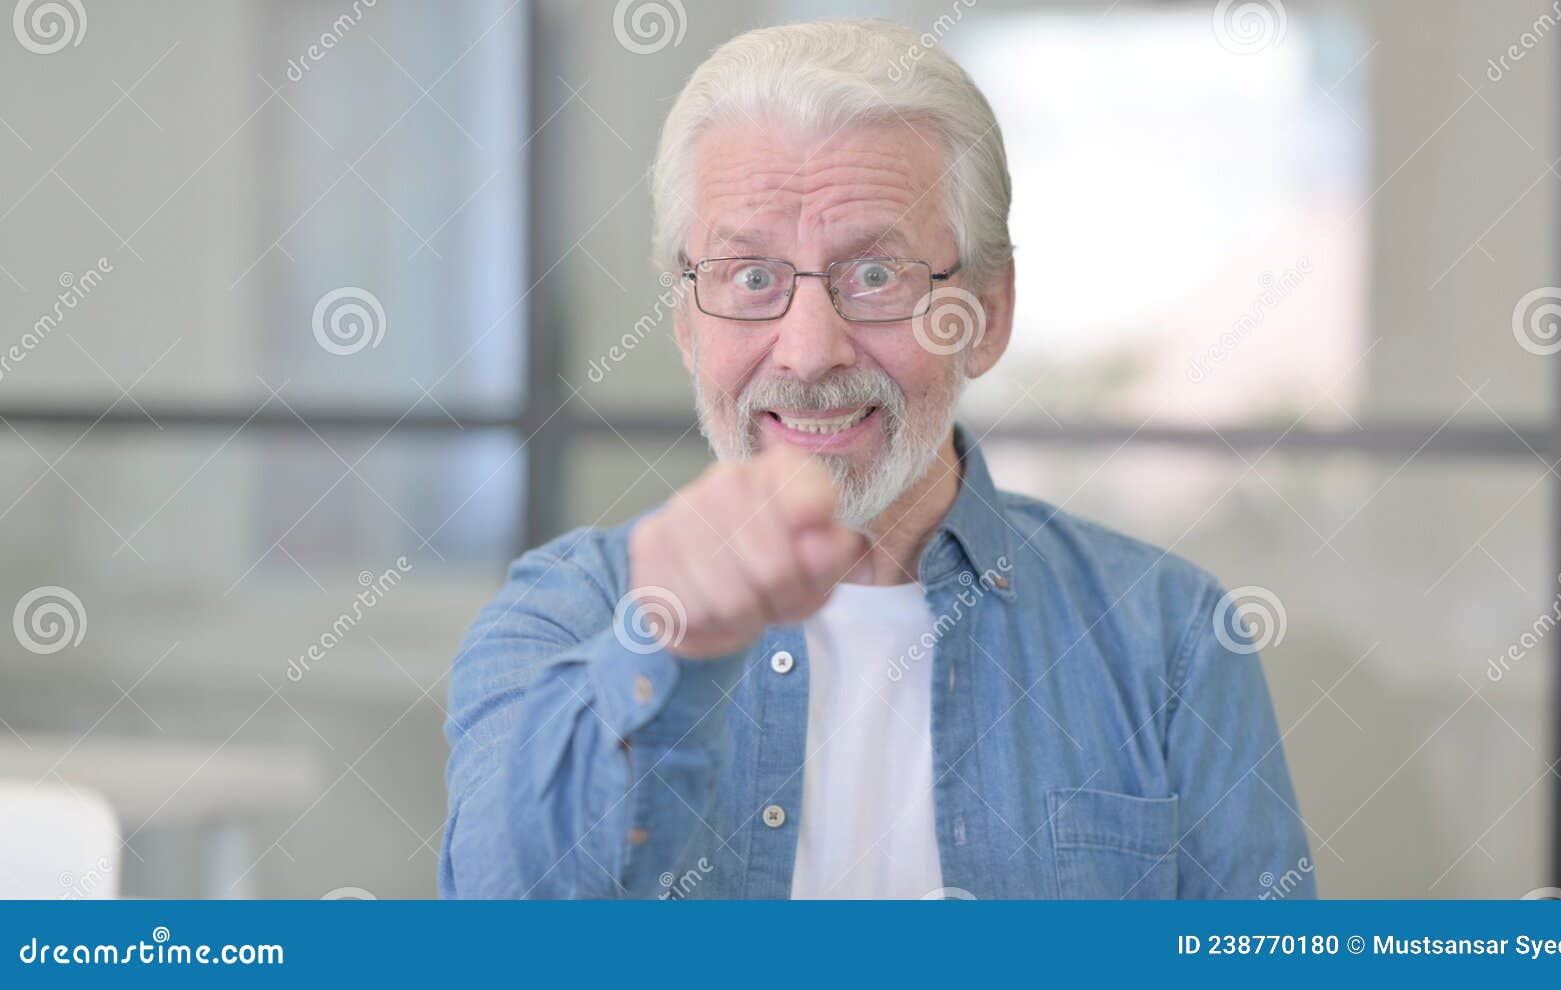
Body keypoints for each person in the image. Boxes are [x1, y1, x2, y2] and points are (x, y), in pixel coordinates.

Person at [441, 18, 1313, 899]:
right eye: (751, 278)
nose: (809, 352)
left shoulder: (1171, 639)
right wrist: (668, 645)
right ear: (685, 324)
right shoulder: (560, 619)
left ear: (988, 314)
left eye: (875, 277)